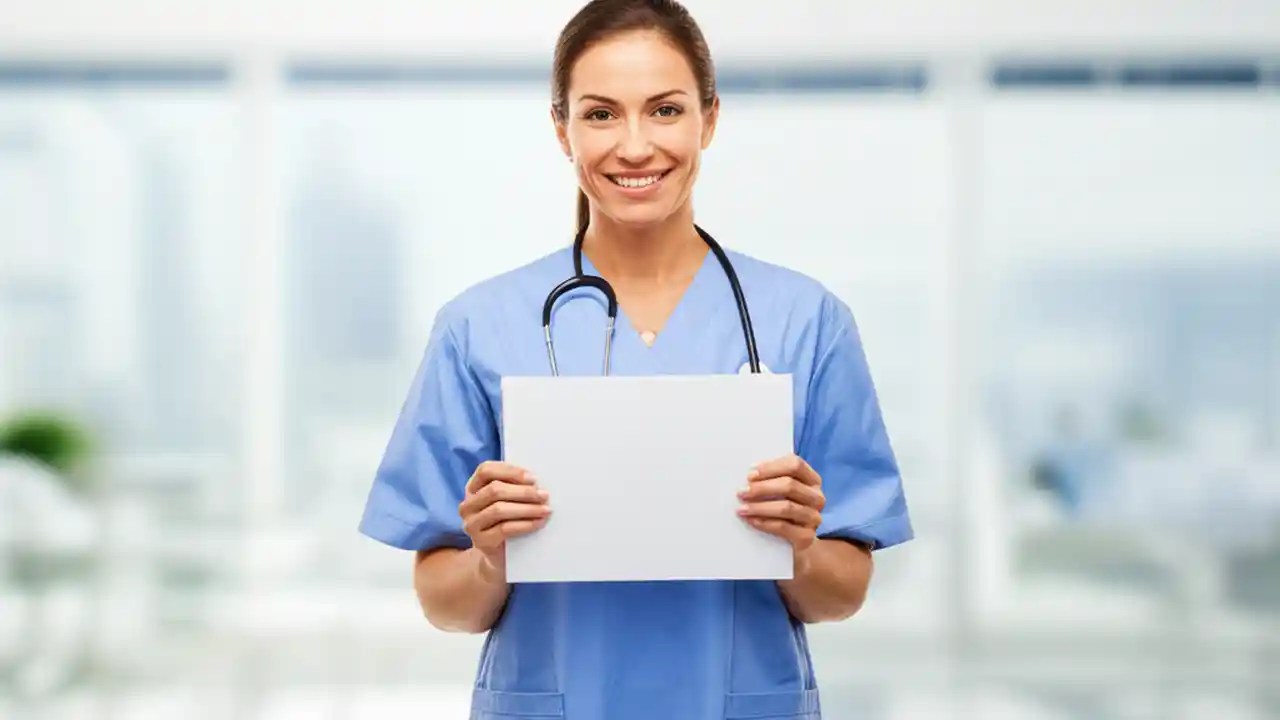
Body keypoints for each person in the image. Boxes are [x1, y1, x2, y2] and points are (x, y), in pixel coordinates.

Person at [357, 1, 913, 717]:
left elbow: (842, 592)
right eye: (600, 114)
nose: (635, 145)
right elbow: (445, 602)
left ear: (709, 120)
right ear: (562, 129)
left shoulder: (808, 323)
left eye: (665, 110)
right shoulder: (477, 329)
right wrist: (492, 556)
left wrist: (797, 548)